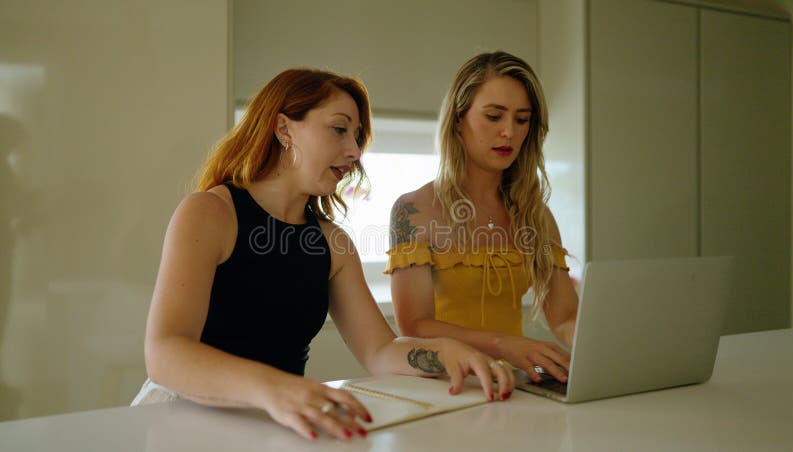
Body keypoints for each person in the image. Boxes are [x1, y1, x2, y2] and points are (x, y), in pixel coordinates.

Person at [135, 68, 515, 441]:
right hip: (180, 421)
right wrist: (275, 388)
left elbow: (380, 350)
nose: (354, 151)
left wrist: (445, 353)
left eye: (358, 136)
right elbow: (166, 352)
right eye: (339, 129)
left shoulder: (334, 244)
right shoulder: (209, 213)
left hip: (275, 426)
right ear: (284, 129)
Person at [386, 52, 579, 387]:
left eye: (522, 120)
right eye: (494, 116)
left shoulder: (537, 216)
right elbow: (416, 325)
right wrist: (503, 343)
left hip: (516, 387)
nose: (509, 132)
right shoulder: (413, 210)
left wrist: (619, 346)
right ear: (458, 119)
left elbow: (564, 318)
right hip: (444, 386)